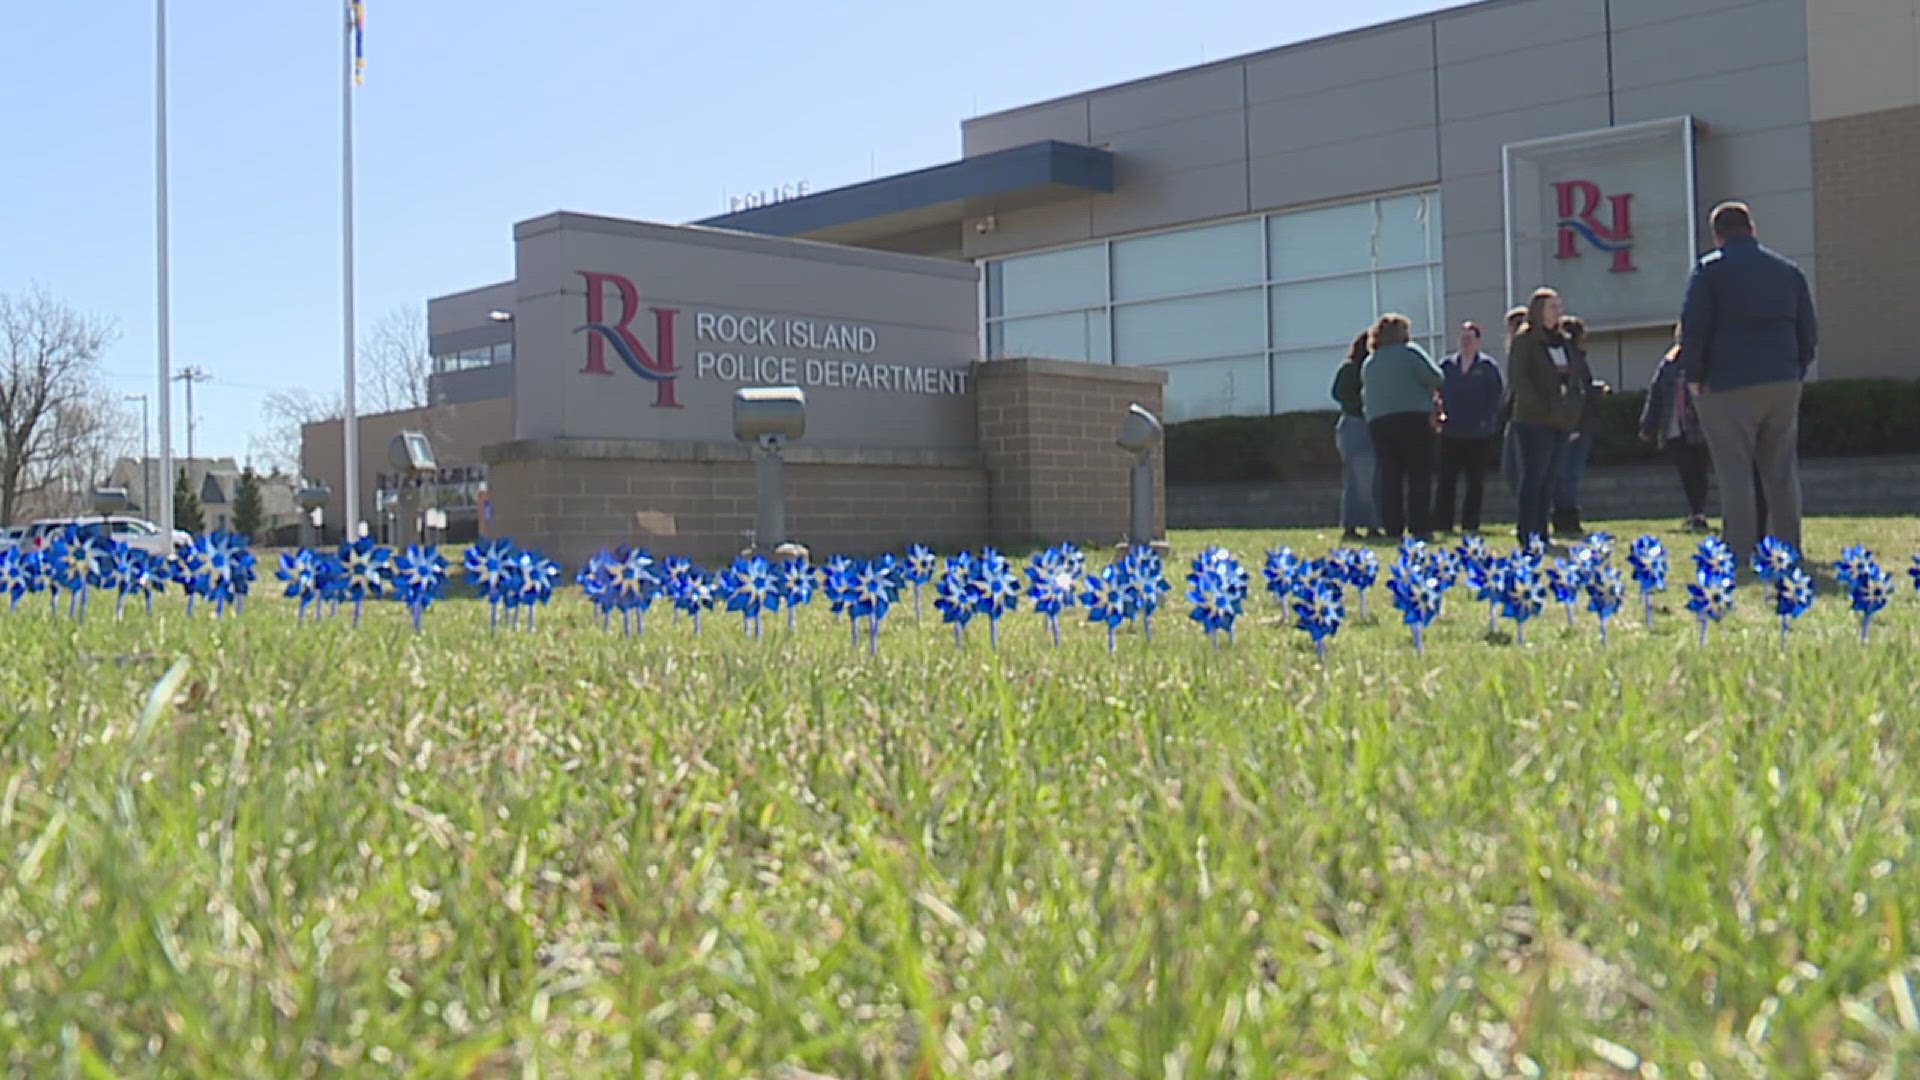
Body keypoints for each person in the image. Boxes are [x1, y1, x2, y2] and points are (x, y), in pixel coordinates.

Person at [1679, 200, 1817, 562]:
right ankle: (1788, 549)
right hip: (1782, 379)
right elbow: (1808, 331)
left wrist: (1693, 376)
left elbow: (1694, 329)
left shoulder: (1709, 272)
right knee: (1781, 471)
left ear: (1717, 235)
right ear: (1752, 229)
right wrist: (1795, 369)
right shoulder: (1788, 272)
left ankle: (1739, 551)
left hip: (1727, 383)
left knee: (1735, 472)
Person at [1507, 287, 1592, 545]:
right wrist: (1545, 407)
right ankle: (1528, 533)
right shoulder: (1525, 341)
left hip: (1560, 422)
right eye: (1553, 306)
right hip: (1532, 421)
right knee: (1533, 478)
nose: (1559, 311)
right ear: (1539, 311)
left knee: (1550, 480)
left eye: (1559, 306)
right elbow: (1519, 380)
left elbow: (1577, 378)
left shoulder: (1564, 341)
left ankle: (1543, 533)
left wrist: (1571, 409)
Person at [1361, 313, 1444, 542]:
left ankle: (1392, 526)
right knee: (1419, 474)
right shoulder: (1410, 353)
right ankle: (1420, 526)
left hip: (1380, 422)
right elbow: (1436, 377)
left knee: (1390, 476)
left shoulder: (1371, 362)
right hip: (1413, 418)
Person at [1432, 321, 1505, 535]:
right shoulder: (1446, 366)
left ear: (1478, 341)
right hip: (1450, 433)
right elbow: (1436, 392)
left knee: (1475, 482)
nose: (1465, 342)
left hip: (1478, 434)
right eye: (1462, 338)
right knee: (1446, 480)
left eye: (1470, 338)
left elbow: (1496, 397)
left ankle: (1470, 523)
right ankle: (1442, 522)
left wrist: (1488, 420)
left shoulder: (1488, 367)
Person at [1640, 324, 1713, 532]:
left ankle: (1700, 512)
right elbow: (1656, 394)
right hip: (1674, 427)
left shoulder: (1705, 360)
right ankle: (1696, 512)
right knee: (1687, 470)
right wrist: (1649, 425)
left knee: (1700, 470)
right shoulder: (1669, 363)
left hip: (1700, 427)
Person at [1549, 315, 1612, 538]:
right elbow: (1578, 390)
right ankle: (1566, 517)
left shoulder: (1570, 359)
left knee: (1567, 472)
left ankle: (1565, 515)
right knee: (1569, 473)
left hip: (1577, 422)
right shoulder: (1573, 360)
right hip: (1577, 422)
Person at [1330, 330, 1381, 541]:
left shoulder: (1349, 368)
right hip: (1359, 425)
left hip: (1350, 426)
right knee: (1365, 478)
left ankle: (1356, 524)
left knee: (1356, 478)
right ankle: (1366, 524)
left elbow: (1336, 393)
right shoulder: (1360, 370)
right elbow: (1340, 393)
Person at [1498, 306, 1528, 497]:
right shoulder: (1514, 352)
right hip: (1514, 416)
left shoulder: (1528, 348)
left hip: (1527, 416)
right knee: (1510, 470)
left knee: (1522, 469)